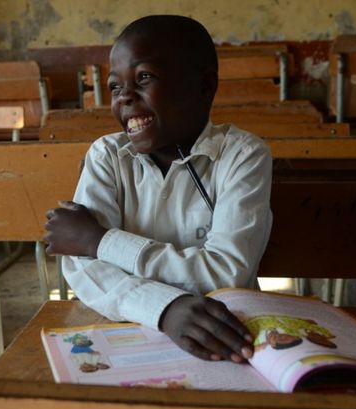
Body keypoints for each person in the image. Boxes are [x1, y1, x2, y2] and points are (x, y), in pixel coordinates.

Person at [44, 15, 272, 364]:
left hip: (222, 334)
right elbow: (86, 270)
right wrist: (164, 308)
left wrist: (99, 241)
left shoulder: (242, 156)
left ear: (204, 86)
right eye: (115, 86)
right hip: (124, 330)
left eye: (144, 77)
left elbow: (226, 273)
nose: (125, 97)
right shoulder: (107, 156)